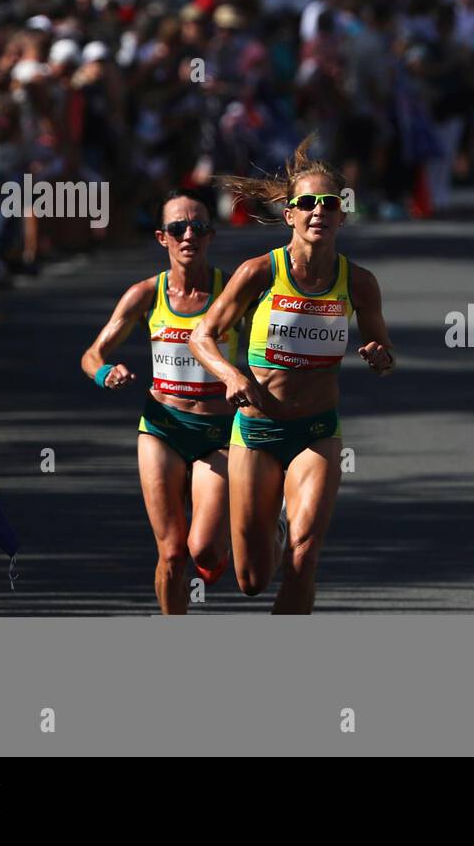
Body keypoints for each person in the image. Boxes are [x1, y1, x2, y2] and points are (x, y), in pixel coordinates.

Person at [189, 136, 394, 614]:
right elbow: (202, 337)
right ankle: (273, 529)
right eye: (307, 203)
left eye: (330, 203)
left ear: (343, 214)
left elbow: (384, 350)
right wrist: (230, 376)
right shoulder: (260, 272)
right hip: (258, 430)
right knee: (252, 580)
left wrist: (380, 357)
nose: (319, 211)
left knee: (305, 553)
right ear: (290, 215)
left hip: (317, 432)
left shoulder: (358, 282)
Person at [80, 191, 239, 614]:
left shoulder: (233, 292)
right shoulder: (145, 294)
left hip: (218, 436)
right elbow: (91, 354)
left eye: (199, 227)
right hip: (162, 430)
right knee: (171, 554)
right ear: (161, 238)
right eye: (177, 228)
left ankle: (219, 551)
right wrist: (104, 372)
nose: (190, 235)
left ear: (212, 234)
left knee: (203, 551)